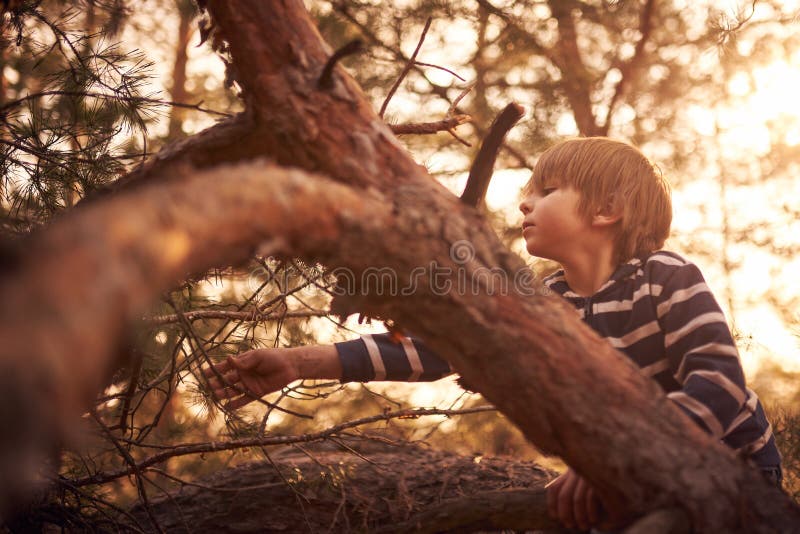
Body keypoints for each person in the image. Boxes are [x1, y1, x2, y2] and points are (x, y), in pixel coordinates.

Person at [204, 137, 782, 530]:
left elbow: (720, 383)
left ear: (606, 210)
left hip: (733, 482)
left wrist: (616, 458)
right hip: (630, 486)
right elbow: (436, 350)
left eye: (547, 190)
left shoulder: (666, 278)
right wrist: (299, 362)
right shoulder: (545, 303)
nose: (524, 201)